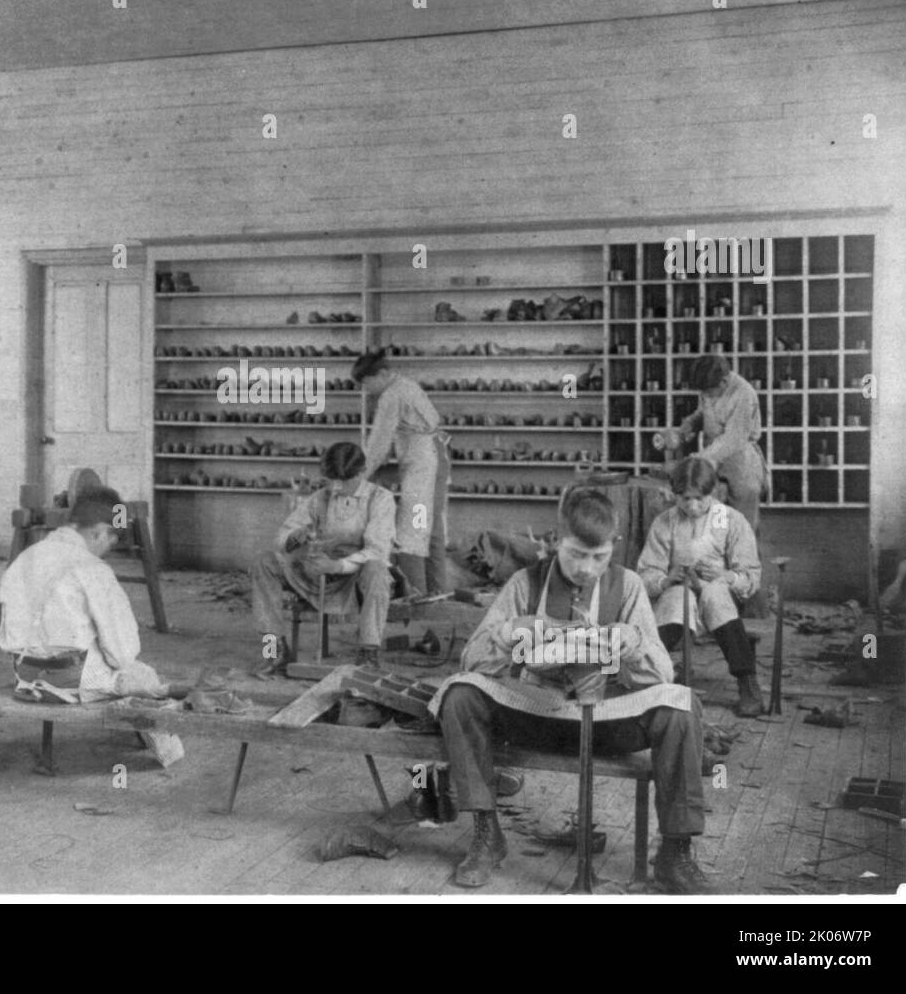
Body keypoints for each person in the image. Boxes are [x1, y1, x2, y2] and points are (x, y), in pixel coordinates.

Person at [431, 487, 710, 893]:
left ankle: (675, 853)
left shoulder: (628, 586)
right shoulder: (524, 583)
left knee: (682, 706)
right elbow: (471, 660)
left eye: (599, 557)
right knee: (460, 695)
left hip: (605, 720)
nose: (586, 568)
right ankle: (486, 834)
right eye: (576, 554)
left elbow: (662, 674)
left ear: (613, 546)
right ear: (554, 540)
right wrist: (514, 631)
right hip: (536, 715)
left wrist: (629, 641)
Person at [0, 484, 183, 765]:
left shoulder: (25, 557)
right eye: (110, 539)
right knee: (145, 676)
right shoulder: (92, 569)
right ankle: (171, 759)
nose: (108, 548)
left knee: (89, 649)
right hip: (71, 682)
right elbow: (121, 653)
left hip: (23, 675)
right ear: (98, 531)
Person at [249, 442, 396, 676]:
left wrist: (338, 566)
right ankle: (273, 651)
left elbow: (377, 550)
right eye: (332, 480)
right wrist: (296, 537)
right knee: (264, 562)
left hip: (352, 579)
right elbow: (282, 538)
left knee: (377, 571)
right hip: (315, 573)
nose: (337, 487)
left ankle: (368, 653)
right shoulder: (320, 497)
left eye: (344, 481)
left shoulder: (380, 498)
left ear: (361, 472)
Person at [637, 456, 765, 717]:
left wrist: (726, 575)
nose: (693, 506)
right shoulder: (665, 522)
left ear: (713, 492)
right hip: (680, 592)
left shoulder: (730, 519)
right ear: (675, 495)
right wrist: (665, 579)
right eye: (685, 498)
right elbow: (647, 572)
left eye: (700, 498)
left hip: (722, 596)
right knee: (676, 598)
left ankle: (747, 682)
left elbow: (751, 575)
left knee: (714, 595)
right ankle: (649, 677)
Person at [352, 350, 451, 596]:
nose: (366, 389)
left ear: (382, 374)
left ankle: (416, 594)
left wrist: (357, 477)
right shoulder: (406, 385)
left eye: (367, 382)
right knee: (432, 528)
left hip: (424, 464)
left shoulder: (392, 394)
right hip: (433, 457)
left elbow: (378, 444)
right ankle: (438, 593)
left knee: (414, 528)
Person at [676, 354, 767, 532]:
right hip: (713, 458)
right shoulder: (711, 387)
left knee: (742, 524)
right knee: (717, 518)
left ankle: (744, 558)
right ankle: (720, 557)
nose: (705, 395)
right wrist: (692, 422)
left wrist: (700, 457)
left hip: (741, 462)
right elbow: (705, 412)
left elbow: (733, 440)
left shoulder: (744, 394)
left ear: (724, 382)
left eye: (708, 391)